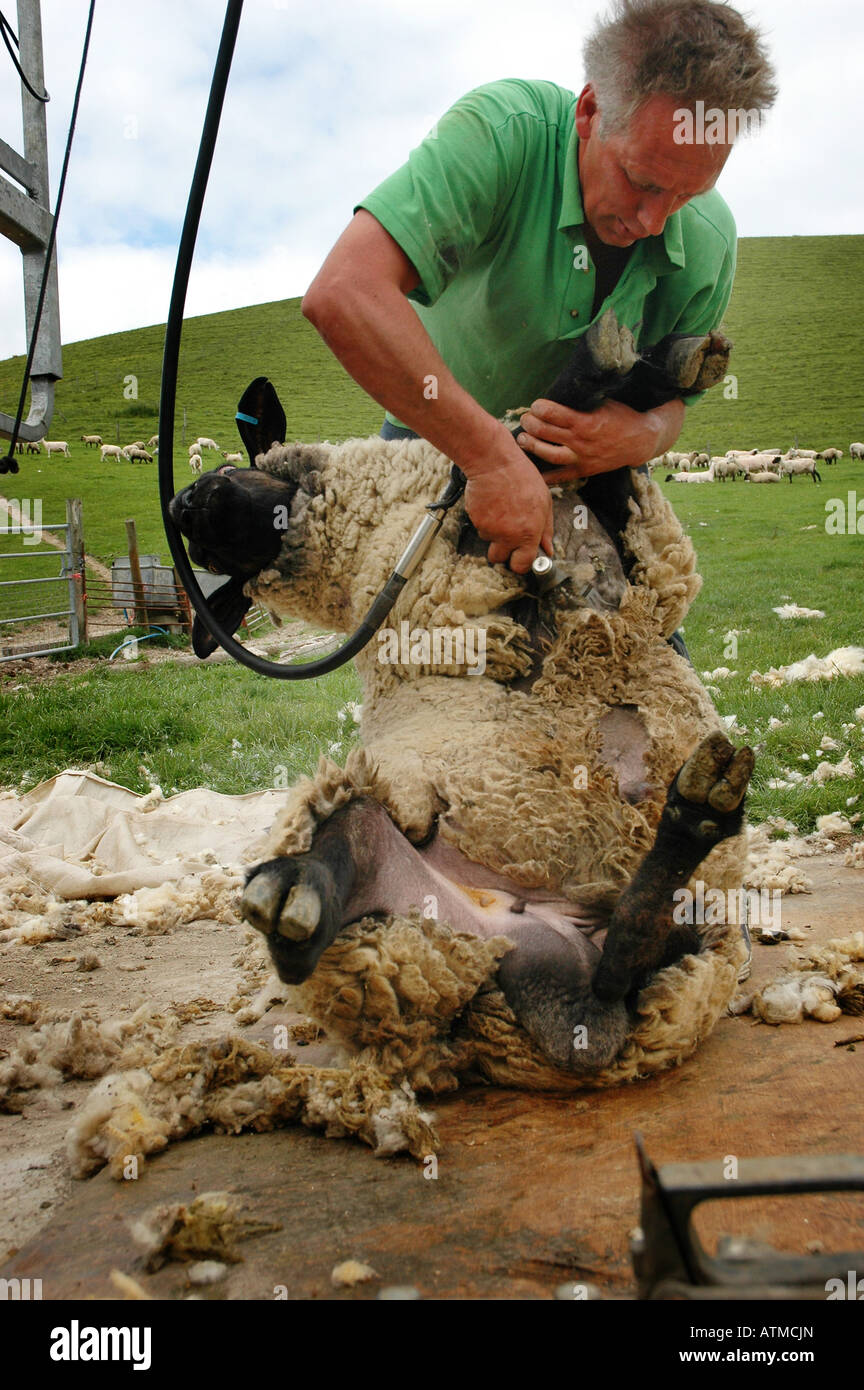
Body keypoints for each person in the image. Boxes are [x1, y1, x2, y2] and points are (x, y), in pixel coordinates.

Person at [302, 0, 777, 574]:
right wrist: (490, 461)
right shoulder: (501, 133)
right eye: (639, 181)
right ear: (591, 109)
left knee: (632, 647)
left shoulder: (709, 242)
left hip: (594, 472)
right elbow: (344, 291)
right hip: (433, 430)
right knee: (418, 637)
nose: (654, 221)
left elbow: (677, 401)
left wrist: (643, 437)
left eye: (686, 196)